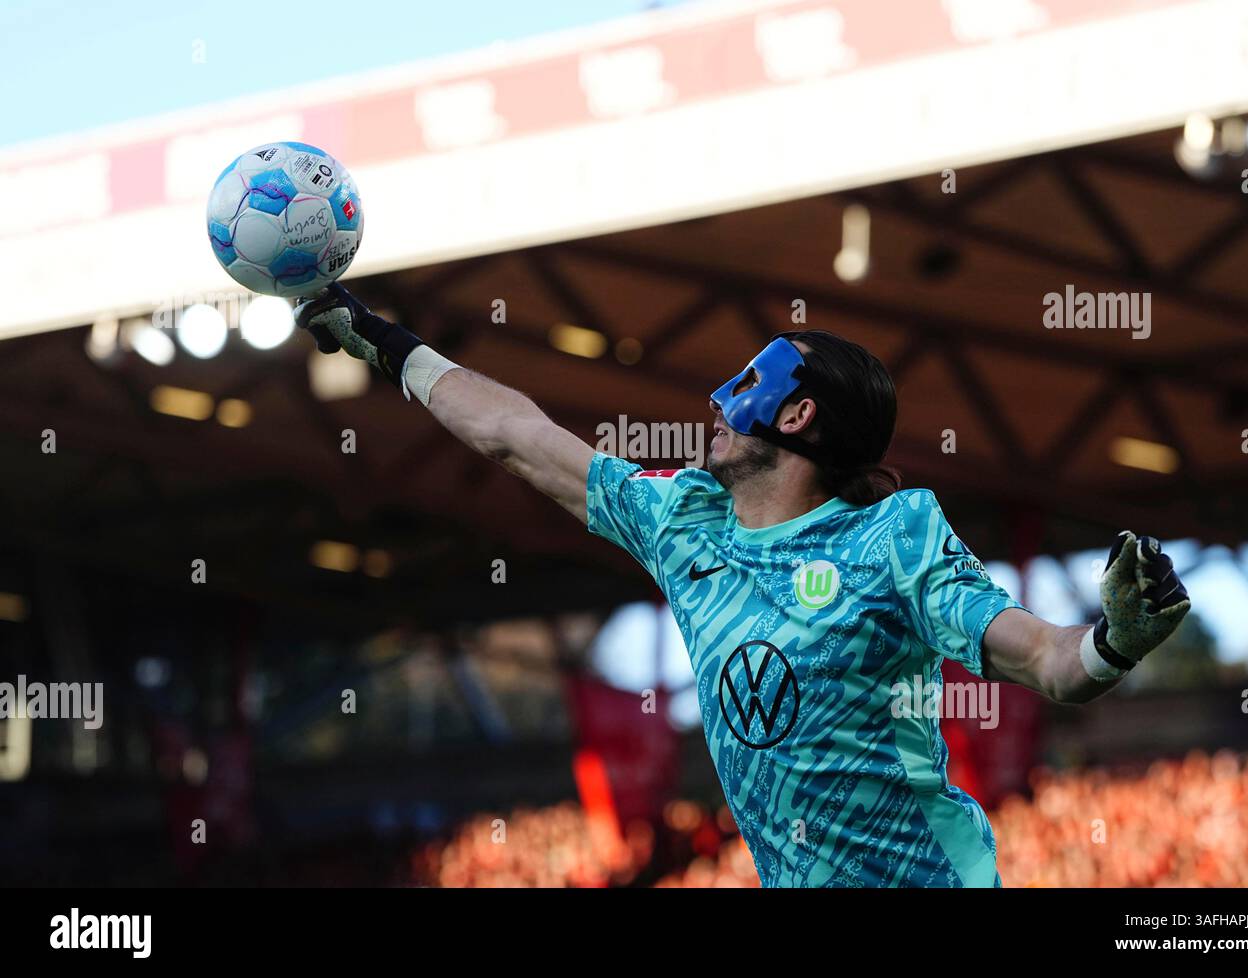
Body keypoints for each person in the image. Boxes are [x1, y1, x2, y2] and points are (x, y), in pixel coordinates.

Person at [294, 284, 1190, 887]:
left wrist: (1114, 639)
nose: (719, 402)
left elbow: (1045, 660)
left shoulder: (892, 537)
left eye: (749, 384)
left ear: (798, 414)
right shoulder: (684, 524)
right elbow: (516, 437)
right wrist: (393, 348)